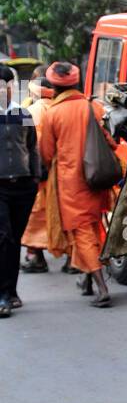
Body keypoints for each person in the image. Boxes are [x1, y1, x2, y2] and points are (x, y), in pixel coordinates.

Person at [38, 60, 118, 309]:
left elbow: (46, 153)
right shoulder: (92, 106)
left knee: (82, 232)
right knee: (92, 228)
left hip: (71, 182)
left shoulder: (53, 113)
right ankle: (87, 281)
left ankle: (102, 288)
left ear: (53, 85)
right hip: (97, 178)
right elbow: (111, 142)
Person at [0, 64, 42, 317]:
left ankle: (11, 291)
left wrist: (35, 178)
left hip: (24, 186)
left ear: (12, 87)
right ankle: (2, 295)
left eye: (6, 85)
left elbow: (33, 147)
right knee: (3, 237)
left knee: (13, 239)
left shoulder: (22, 113)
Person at [20, 72, 60, 272]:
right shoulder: (58, 109)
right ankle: (72, 260)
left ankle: (36, 256)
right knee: (61, 215)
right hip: (61, 173)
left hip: (37, 173)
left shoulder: (29, 112)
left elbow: (27, 145)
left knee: (34, 217)